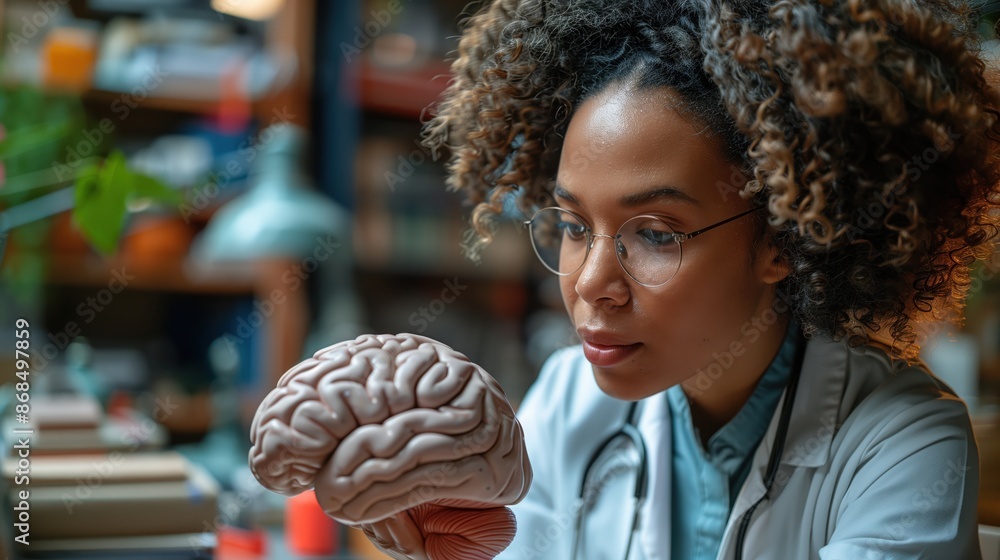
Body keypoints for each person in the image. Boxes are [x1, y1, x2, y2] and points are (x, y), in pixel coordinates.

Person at [420, 0, 1000, 558]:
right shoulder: (566, 403)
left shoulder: (906, 447)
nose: (592, 284)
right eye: (574, 225)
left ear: (783, 237)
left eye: (656, 234)